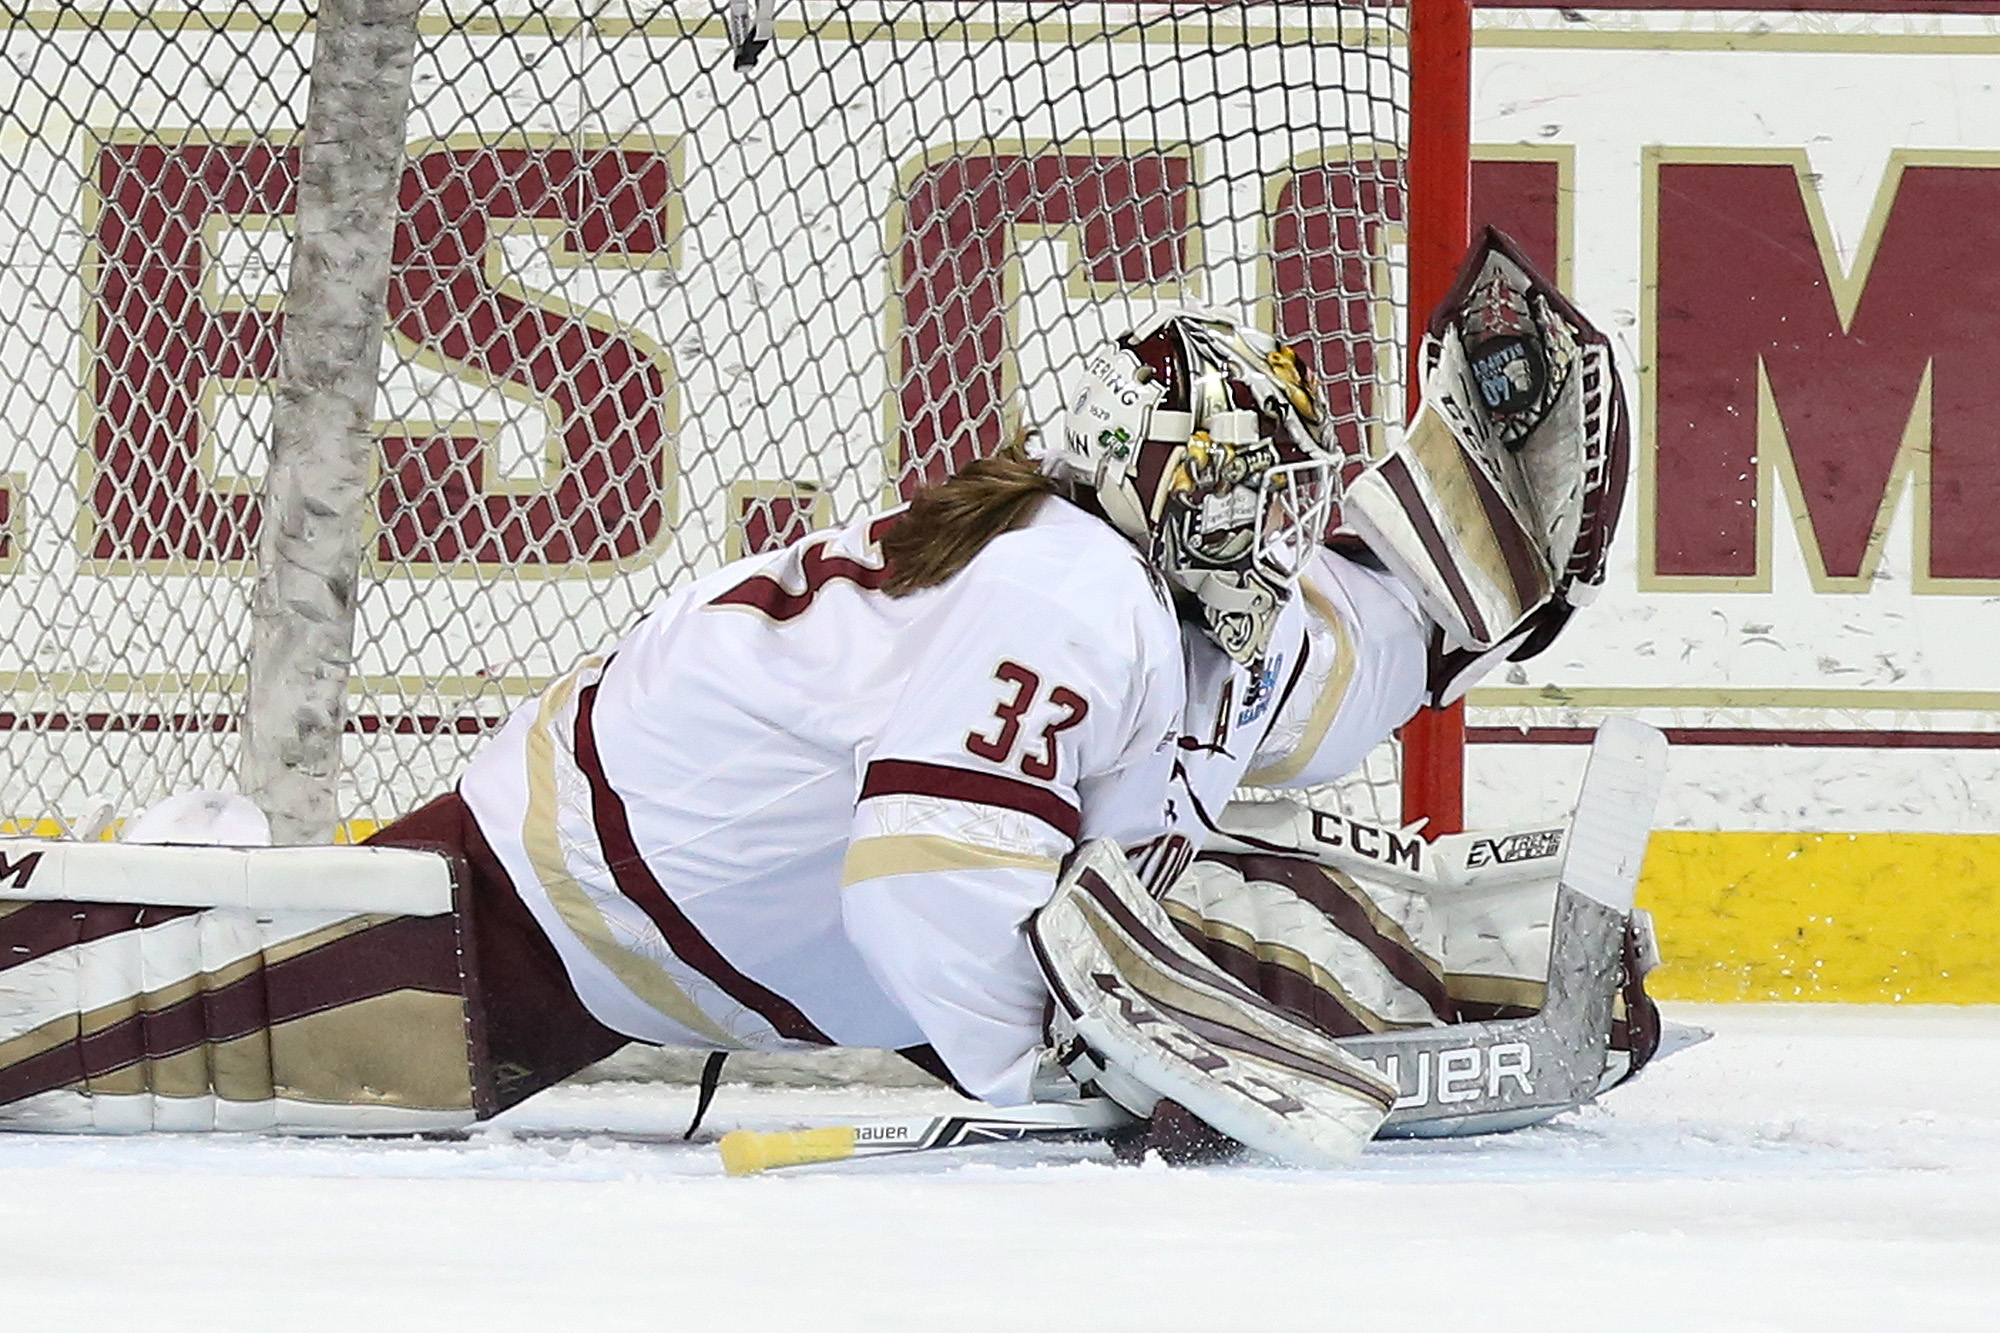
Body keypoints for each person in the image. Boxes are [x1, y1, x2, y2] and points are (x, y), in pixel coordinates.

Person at [0, 233, 1643, 1157]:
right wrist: (1071, 1084)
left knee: (1202, 897)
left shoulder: (1177, 602)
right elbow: (926, 887)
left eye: (1299, 508)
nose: (1282, 539)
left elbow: (1308, 681)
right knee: (154, 1009)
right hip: (543, 909)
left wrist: (1446, 587)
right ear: (1163, 483)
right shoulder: (1069, 586)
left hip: (636, 933)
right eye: (1260, 503)